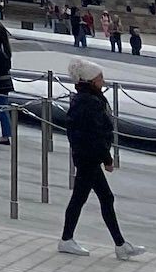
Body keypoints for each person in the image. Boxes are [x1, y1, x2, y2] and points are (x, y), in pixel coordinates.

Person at [60, 60, 143, 258]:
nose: (103, 81)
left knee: (100, 197)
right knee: (84, 198)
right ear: (91, 80)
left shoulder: (87, 99)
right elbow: (95, 133)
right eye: (100, 78)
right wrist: (107, 158)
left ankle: (120, 244)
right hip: (89, 157)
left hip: (87, 156)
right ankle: (67, 239)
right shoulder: (89, 102)